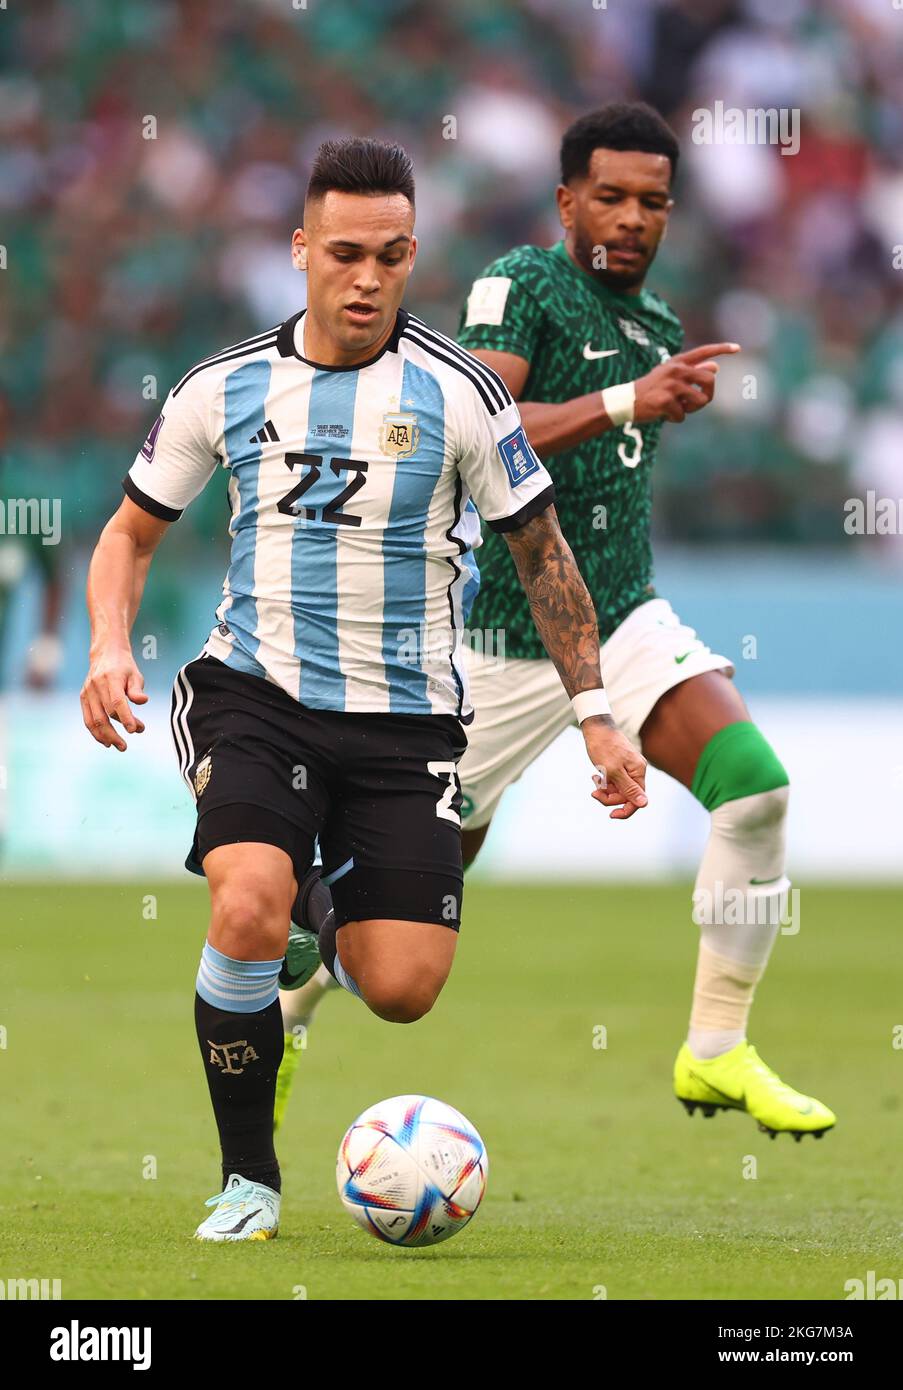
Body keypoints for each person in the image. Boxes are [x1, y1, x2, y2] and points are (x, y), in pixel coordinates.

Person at [81, 136, 647, 1242]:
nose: (367, 277)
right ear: (300, 249)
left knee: (401, 987)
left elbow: (541, 555)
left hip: (408, 723)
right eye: (343, 252)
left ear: (412, 255)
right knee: (243, 897)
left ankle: (315, 913)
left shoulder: (462, 395)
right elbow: (128, 534)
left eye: (391, 255)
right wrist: (110, 643)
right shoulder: (225, 384)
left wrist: (595, 712)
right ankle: (248, 1179)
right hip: (257, 693)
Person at [277, 106, 835, 1144]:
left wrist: (642, 392)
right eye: (610, 197)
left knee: (754, 787)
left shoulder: (658, 324)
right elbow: (487, 424)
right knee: (395, 929)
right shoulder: (519, 284)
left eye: (653, 202)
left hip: (619, 620)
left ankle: (715, 1048)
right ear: (566, 198)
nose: (631, 220)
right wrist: (631, 401)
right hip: (494, 641)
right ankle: (291, 1008)